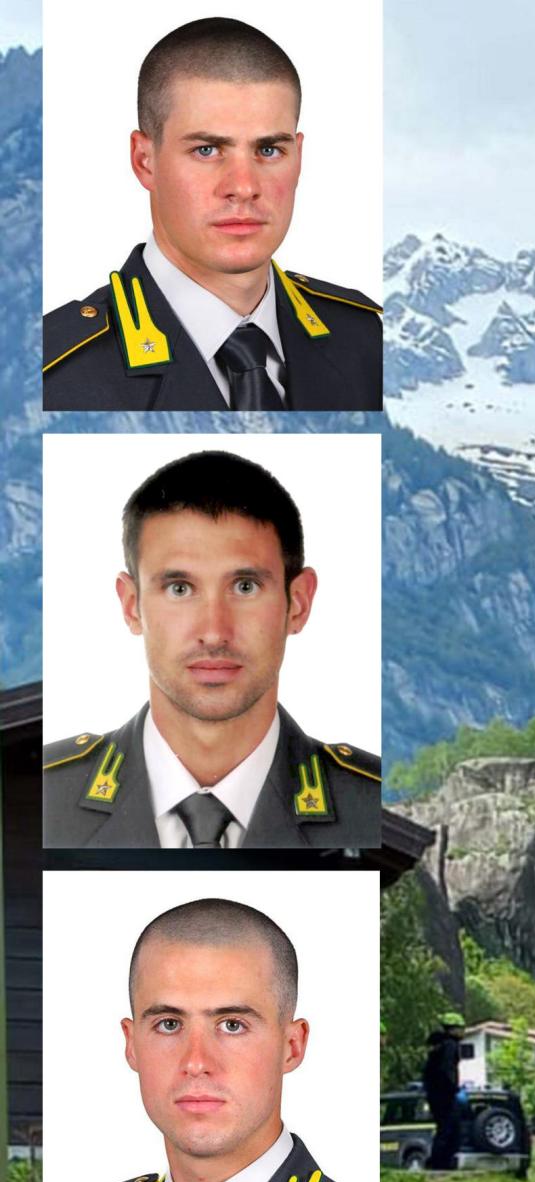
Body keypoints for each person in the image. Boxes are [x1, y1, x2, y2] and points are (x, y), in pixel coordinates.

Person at [42, 450, 380, 848]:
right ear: (131, 606)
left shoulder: (373, 805)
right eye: (180, 589)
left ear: (298, 603)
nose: (215, 632)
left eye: (245, 587)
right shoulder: (42, 799)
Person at [42, 17, 381, 411]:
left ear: (298, 157)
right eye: (207, 150)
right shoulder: (52, 377)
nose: (243, 185)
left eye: (269, 150)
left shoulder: (367, 341)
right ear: (144, 160)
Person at [46, 898, 378, 1182]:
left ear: (292, 1046)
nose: (196, 1061)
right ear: (131, 1043)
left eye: (232, 1025)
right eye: (169, 1024)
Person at [422, 1012, 467, 1171]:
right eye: (461, 1028)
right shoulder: (450, 1046)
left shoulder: (438, 1045)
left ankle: (439, 1162)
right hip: (445, 1094)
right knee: (450, 1129)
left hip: (434, 1093)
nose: (463, 1032)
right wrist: (454, 1088)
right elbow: (447, 1070)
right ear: (453, 1029)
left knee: (445, 1128)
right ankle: (440, 1164)